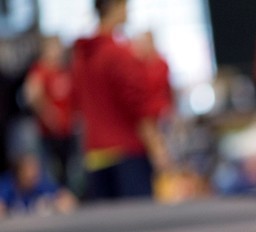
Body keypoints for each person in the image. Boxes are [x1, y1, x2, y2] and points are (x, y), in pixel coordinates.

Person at [72, 0, 169, 200]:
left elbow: (77, 102)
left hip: (95, 155)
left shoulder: (82, 57)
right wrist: (158, 149)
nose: (128, 11)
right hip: (127, 155)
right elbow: (138, 106)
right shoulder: (119, 54)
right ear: (114, 7)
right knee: (140, 225)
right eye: (125, 5)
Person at [24, 36, 76, 190]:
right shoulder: (40, 70)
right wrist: (48, 115)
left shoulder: (64, 71)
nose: (57, 52)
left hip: (67, 130)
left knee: (69, 169)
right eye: (54, 47)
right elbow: (32, 95)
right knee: (50, 169)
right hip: (48, 133)